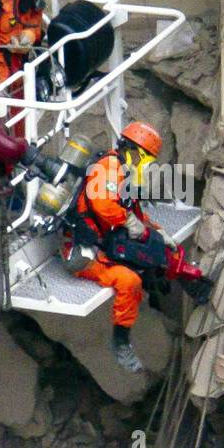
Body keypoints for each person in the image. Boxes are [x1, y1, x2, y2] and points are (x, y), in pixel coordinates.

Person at [67, 121, 177, 373]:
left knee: (155, 253)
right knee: (129, 282)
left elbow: (133, 213)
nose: (147, 165)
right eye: (147, 159)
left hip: (108, 241)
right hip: (86, 250)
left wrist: (158, 233)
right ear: (136, 152)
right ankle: (121, 342)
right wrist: (130, 223)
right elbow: (104, 205)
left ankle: (154, 291)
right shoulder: (109, 168)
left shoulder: (124, 172)